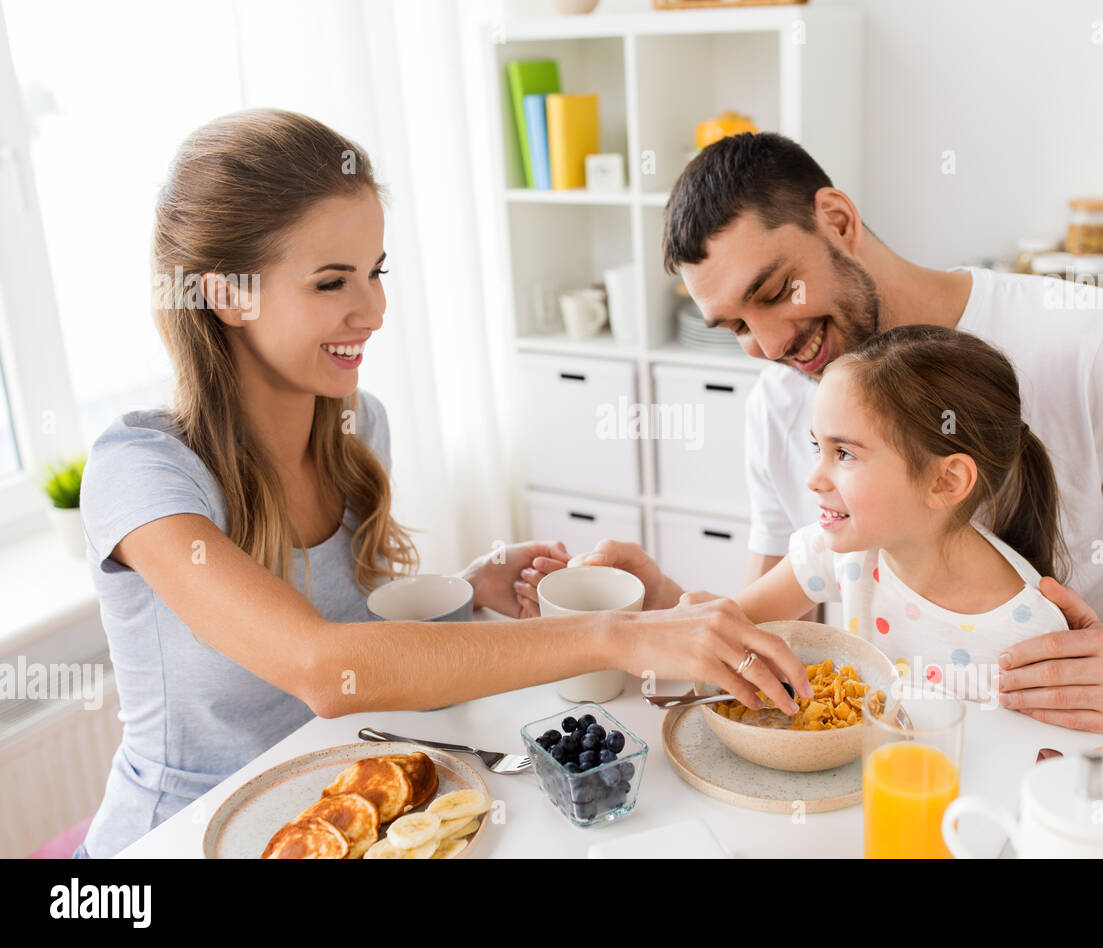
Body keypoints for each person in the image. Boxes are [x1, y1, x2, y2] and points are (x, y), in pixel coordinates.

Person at [72, 110, 809, 858]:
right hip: (176, 838)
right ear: (228, 297)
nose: (375, 311)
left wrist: (465, 592)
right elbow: (327, 670)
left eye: (376, 272)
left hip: (337, 814)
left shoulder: (356, 430)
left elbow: (351, 634)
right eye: (332, 282)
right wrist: (618, 635)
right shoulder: (141, 471)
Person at [543, 132, 1103, 737]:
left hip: (1080, 763)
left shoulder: (1090, 342)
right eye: (734, 325)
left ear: (837, 219)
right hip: (895, 762)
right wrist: (668, 604)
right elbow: (771, 620)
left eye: (773, 293)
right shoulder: (780, 404)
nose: (768, 345)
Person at [727, 324, 1073, 706]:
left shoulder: (1031, 634)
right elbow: (724, 635)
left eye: (844, 454)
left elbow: (1040, 757)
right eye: (817, 447)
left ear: (946, 481)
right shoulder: (841, 554)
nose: (814, 480)